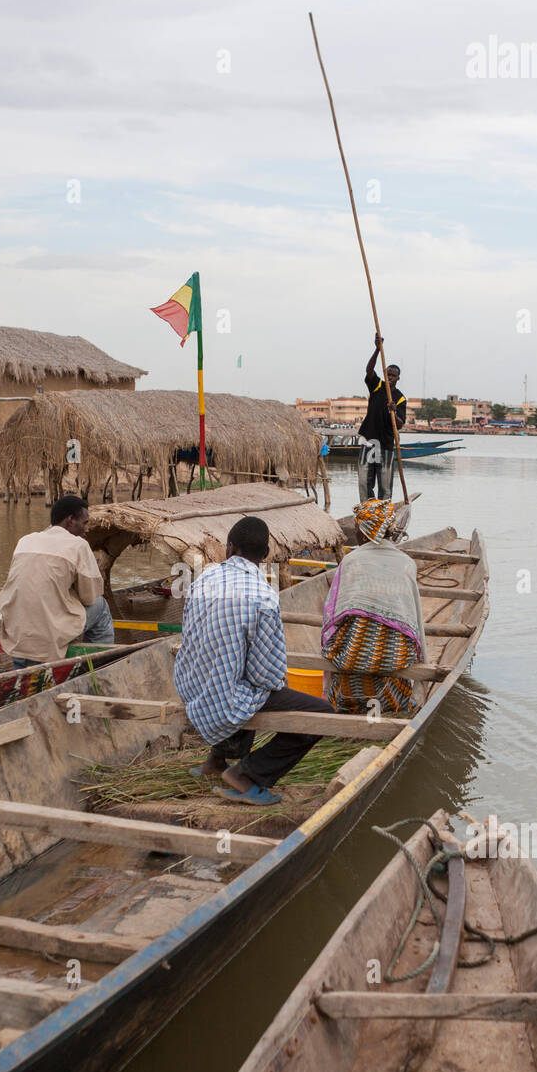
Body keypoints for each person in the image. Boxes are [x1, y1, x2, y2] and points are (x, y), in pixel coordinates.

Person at [174, 515, 335, 806]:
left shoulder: (202, 579)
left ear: (229, 547)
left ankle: (215, 761)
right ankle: (247, 776)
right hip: (221, 698)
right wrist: (278, 685)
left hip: (189, 686)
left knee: (231, 669)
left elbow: (190, 636)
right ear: (264, 556)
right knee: (321, 713)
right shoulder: (263, 596)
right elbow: (267, 676)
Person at [321, 499, 427, 715]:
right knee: (393, 653)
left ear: (365, 532)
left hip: (351, 657)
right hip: (395, 658)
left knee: (343, 651)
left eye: (357, 529)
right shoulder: (407, 563)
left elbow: (332, 618)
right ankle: (393, 705)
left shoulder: (351, 561)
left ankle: (345, 706)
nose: (356, 535)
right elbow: (414, 620)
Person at [0, 495, 114, 669]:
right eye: (85, 522)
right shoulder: (78, 545)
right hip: (48, 633)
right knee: (101, 606)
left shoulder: (25, 541)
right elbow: (89, 598)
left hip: (15, 631)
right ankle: (98, 668)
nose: (87, 529)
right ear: (71, 520)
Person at [358, 332, 407, 502]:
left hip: (385, 444)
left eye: (393, 375)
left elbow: (400, 425)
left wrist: (393, 411)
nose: (389, 377)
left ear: (398, 378)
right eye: (387, 374)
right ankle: (367, 510)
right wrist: (377, 349)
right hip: (369, 440)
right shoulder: (378, 385)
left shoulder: (400, 398)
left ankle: (383, 512)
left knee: (385, 486)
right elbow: (369, 370)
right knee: (365, 481)